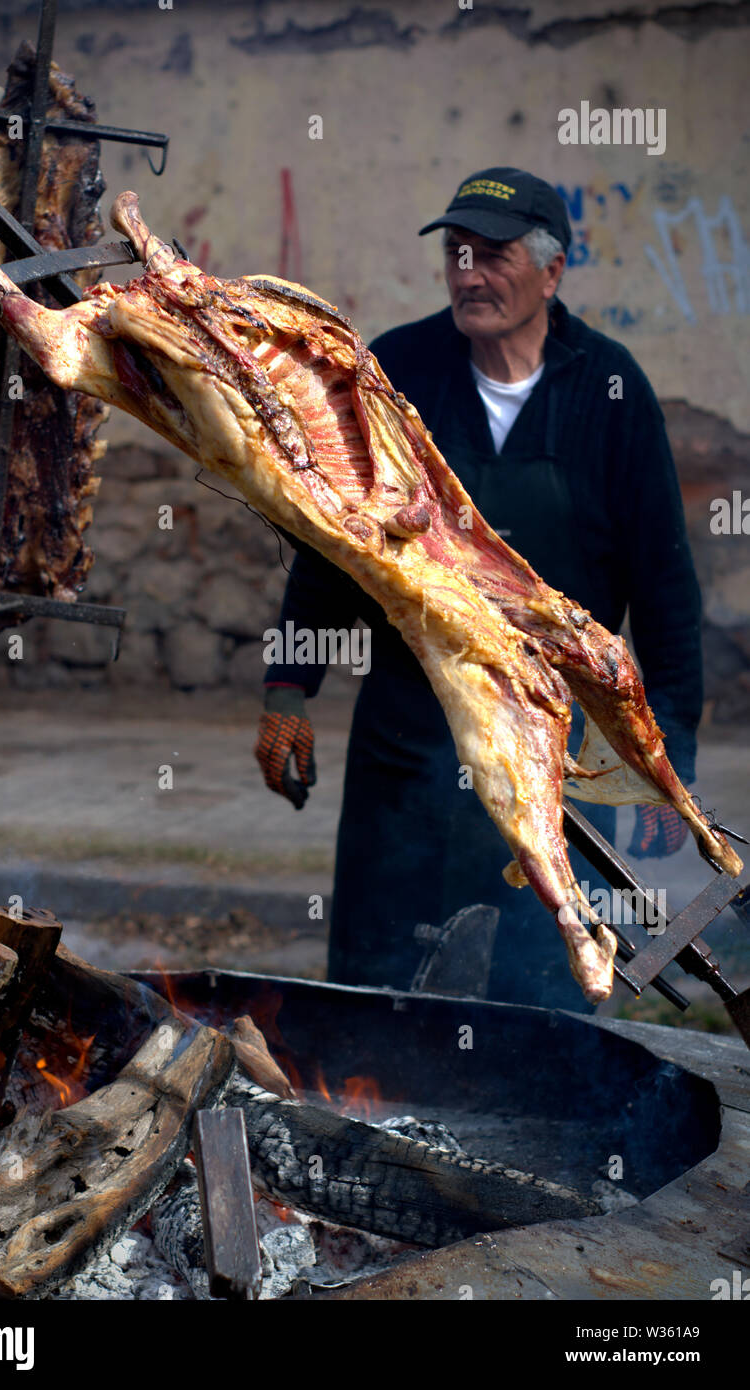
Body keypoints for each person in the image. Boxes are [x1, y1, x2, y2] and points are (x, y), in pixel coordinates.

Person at [254, 167, 703, 1010]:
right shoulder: (397, 365)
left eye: (491, 255)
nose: (467, 274)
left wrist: (666, 761)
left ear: (550, 271)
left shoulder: (610, 388)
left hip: (553, 747)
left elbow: (664, 582)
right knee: (377, 994)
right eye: (456, 254)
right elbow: (332, 540)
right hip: (407, 734)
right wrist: (288, 686)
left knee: (540, 997)